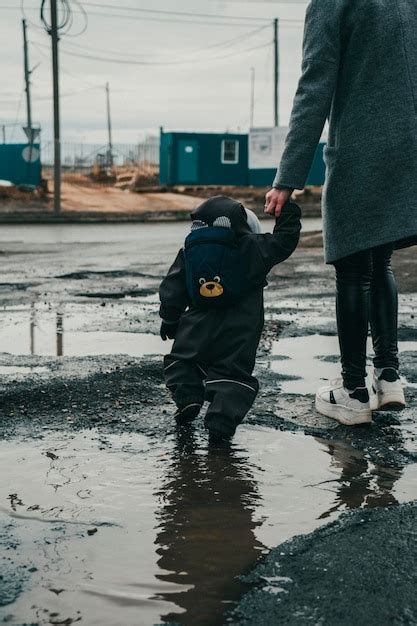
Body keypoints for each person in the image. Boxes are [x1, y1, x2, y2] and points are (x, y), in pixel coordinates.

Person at [265, 0, 417, 426]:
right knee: (379, 259)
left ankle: (351, 392)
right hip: (407, 150)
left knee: (353, 268)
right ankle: (388, 377)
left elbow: (315, 86)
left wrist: (287, 177)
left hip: (361, 150)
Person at [159, 195, 301, 440]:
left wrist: (170, 318)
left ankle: (188, 398)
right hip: (241, 326)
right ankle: (221, 422)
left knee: (183, 361)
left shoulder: (190, 252)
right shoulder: (252, 247)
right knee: (232, 373)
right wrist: (286, 212)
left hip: (197, 325)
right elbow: (284, 241)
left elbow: (173, 286)